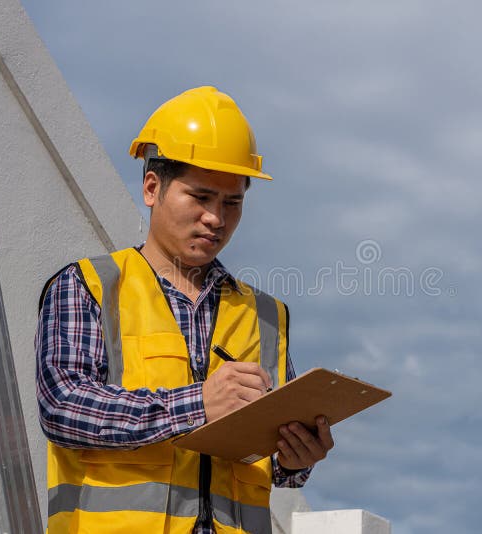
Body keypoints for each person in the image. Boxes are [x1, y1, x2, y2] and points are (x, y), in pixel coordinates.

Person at [35, 86, 334, 534]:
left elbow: (265, 462)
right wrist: (198, 404)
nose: (216, 218)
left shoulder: (265, 316)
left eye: (232, 202)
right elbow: (63, 407)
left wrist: (295, 458)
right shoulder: (88, 286)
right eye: (201, 197)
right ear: (152, 188)